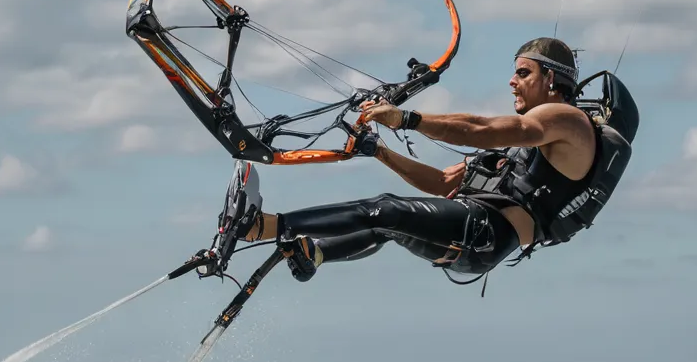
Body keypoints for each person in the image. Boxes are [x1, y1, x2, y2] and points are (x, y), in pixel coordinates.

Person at [223, 37, 602, 281]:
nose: (512, 81)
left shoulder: (567, 119)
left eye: (523, 72)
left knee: (385, 210)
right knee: (387, 224)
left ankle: (262, 227)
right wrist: (380, 152)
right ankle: (317, 254)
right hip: (473, 237)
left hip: (485, 234)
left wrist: (407, 119)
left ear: (551, 78)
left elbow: (479, 128)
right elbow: (440, 184)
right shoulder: (528, 142)